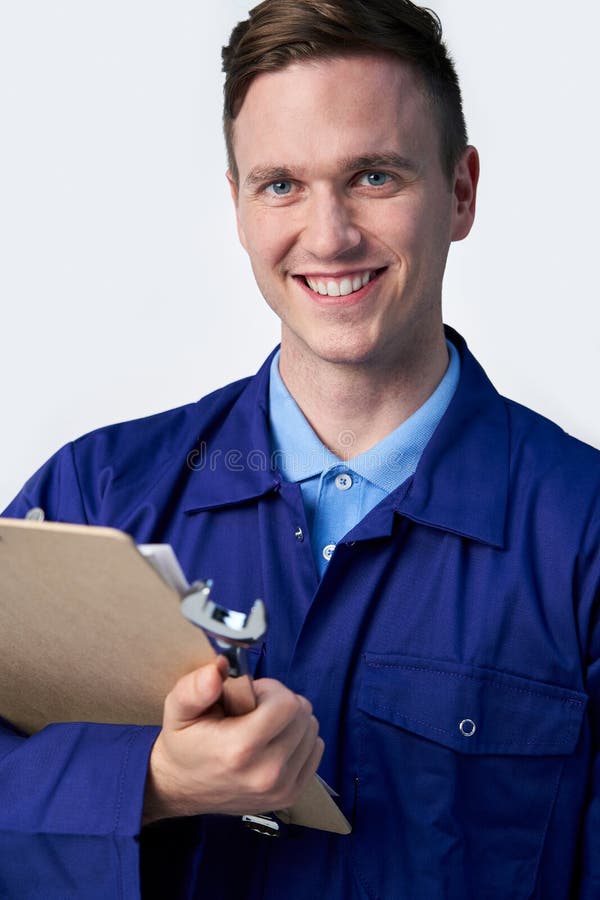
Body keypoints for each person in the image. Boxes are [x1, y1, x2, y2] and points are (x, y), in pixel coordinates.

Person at [1, 0, 599, 897]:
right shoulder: (98, 492)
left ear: (462, 192)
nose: (328, 237)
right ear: (238, 207)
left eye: (374, 177)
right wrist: (154, 784)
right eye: (281, 183)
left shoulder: (584, 532)